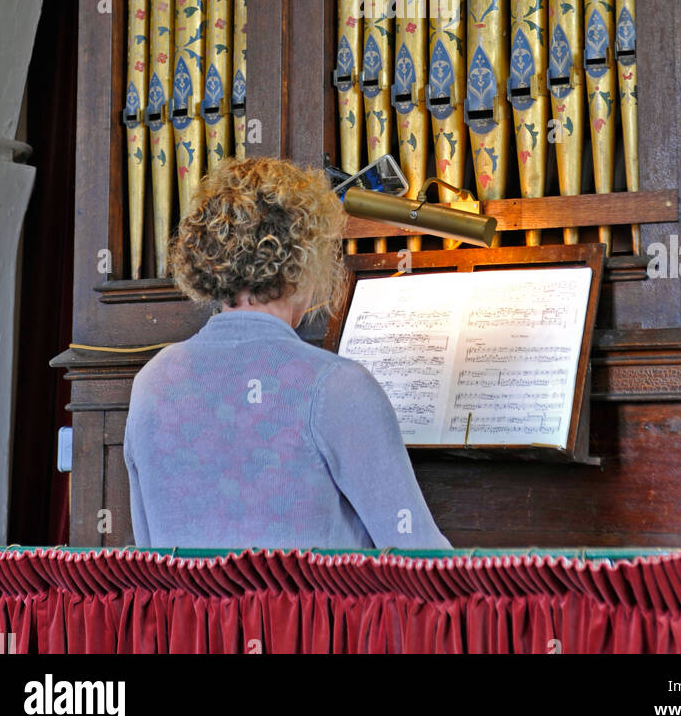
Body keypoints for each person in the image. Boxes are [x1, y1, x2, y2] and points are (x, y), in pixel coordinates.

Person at [123, 155, 451, 550]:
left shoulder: (151, 382)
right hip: (314, 615)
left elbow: (149, 559)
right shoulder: (339, 387)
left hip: (185, 615)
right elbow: (424, 561)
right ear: (305, 259)